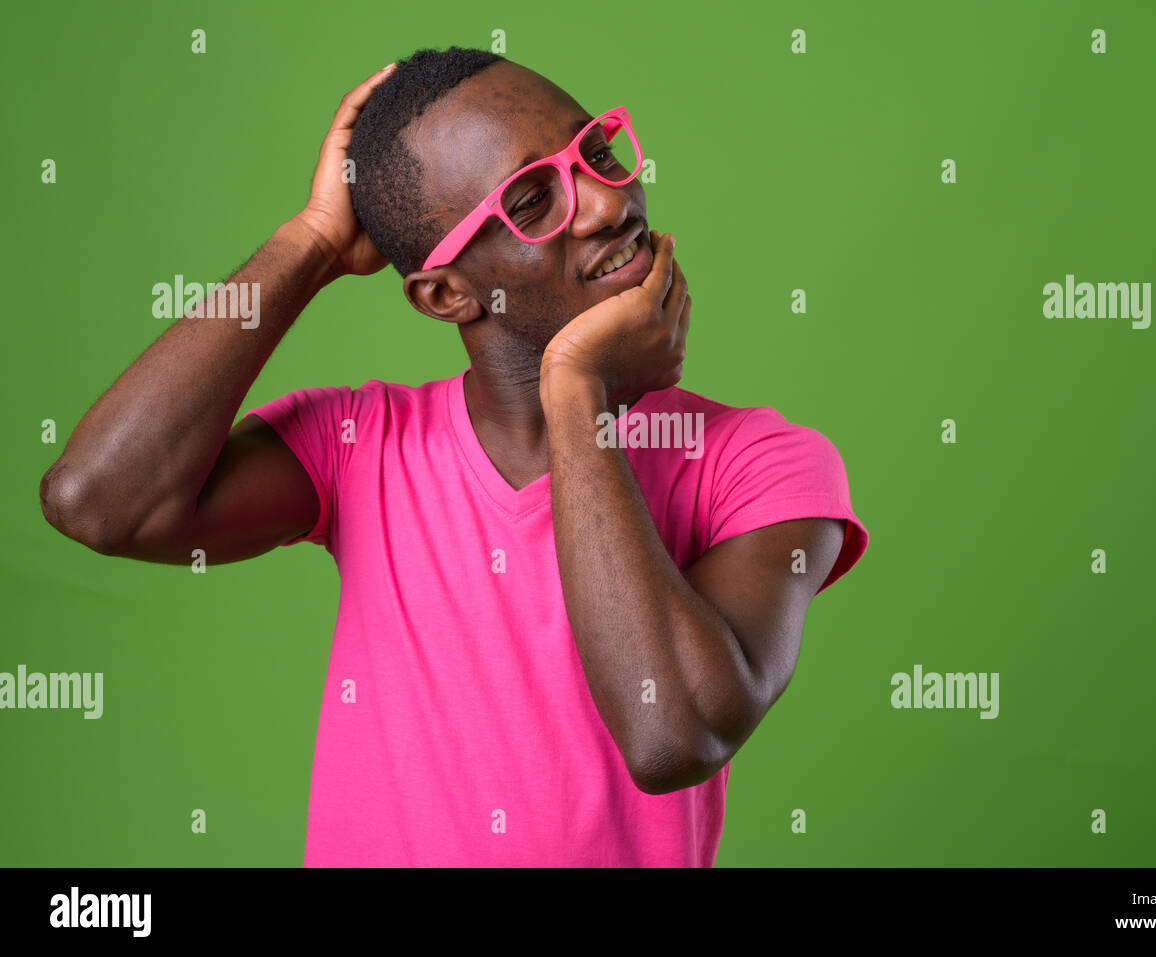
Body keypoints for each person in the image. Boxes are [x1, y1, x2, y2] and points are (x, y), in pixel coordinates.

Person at [39, 46, 869, 867]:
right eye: (532, 200)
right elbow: (98, 501)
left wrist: (578, 395)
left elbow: (672, 734)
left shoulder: (762, 464)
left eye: (599, 151)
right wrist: (317, 239)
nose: (607, 202)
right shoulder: (360, 448)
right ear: (448, 294)